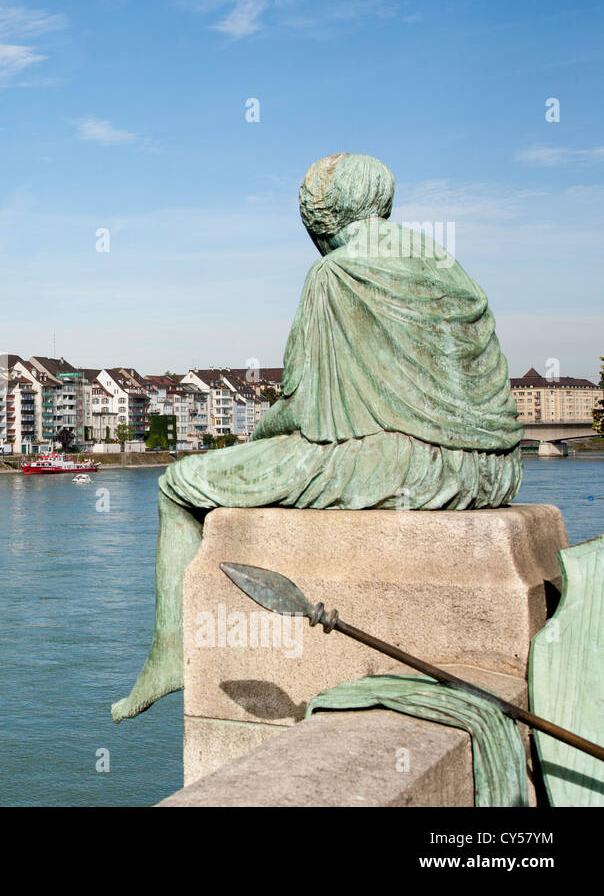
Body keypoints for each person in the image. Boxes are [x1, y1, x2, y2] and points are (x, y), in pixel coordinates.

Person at [112, 153, 524, 722]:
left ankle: (168, 653)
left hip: (404, 461)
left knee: (179, 483)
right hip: (491, 466)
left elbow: (304, 406)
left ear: (319, 218)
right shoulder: (439, 260)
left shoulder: (338, 272)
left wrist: (253, 445)